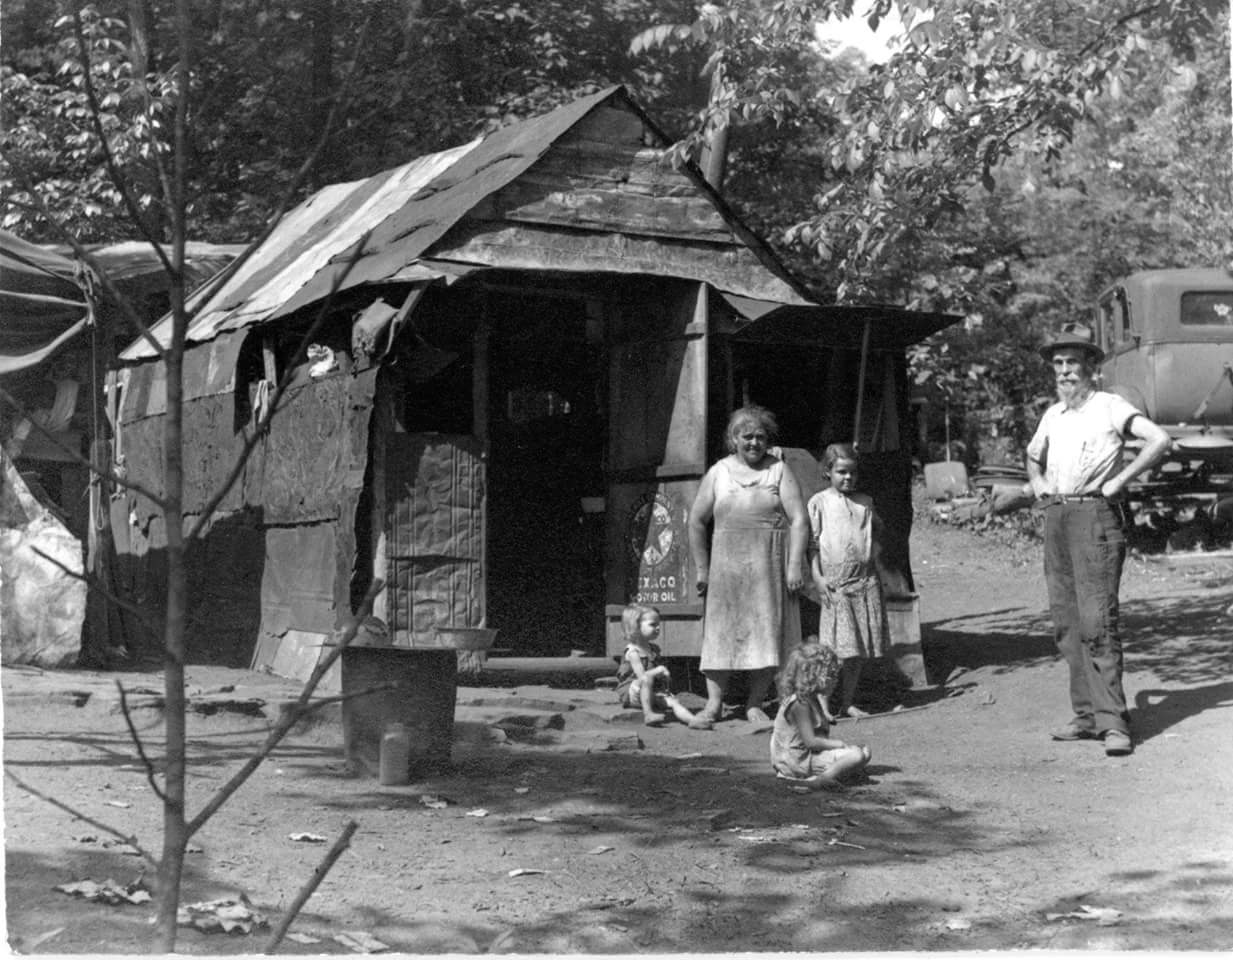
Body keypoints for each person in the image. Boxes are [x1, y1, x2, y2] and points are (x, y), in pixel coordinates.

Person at [1025, 322, 1171, 757]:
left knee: (1097, 623)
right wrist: (1038, 484)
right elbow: (1033, 457)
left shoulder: (1110, 405)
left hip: (1095, 518)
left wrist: (1120, 480)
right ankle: (1086, 716)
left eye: (1073, 363)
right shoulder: (1054, 414)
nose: (1065, 372)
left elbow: (1159, 440)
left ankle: (1114, 723)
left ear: (1091, 367)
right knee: (1067, 625)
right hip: (1058, 518)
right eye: (1058, 364)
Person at [688, 405, 808, 724]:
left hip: (769, 567)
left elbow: (799, 520)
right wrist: (702, 568)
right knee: (720, 635)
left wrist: (794, 566)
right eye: (747, 436)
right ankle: (714, 705)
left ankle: (755, 703)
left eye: (760, 437)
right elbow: (697, 521)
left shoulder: (779, 471)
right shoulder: (718, 472)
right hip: (727, 569)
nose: (754, 443)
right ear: (733, 439)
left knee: (766, 633)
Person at [807, 443, 890, 718]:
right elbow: (813, 547)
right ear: (828, 472)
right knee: (834, 652)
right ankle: (822, 705)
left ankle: (848, 702)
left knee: (855, 652)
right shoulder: (819, 503)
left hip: (864, 583)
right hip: (836, 586)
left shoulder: (865, 503)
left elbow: (876, 531)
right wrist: (818, 577)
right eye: (841, 472)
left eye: (852, 473)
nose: (848, 478)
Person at [770, 640, 871, 786]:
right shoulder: (800, 703)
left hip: (809, 756)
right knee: (857, 755)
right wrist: (838, 744)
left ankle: (837, 772)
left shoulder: (811, 698)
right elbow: (811, 742)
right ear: (813, 676)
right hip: (798, 761)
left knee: (865, 751)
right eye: (832, 675)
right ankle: (821, 780)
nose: (836, 680)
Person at [614, 603, 713, 729]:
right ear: (636, 627)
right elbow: (642, 676)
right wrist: (659, 670)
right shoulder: (632, 652)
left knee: (673, 702)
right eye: (652, 624)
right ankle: (648, 714)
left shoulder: (654, 649)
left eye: (658, 624)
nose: (658, 628)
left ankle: (692, 720)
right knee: (646, 678)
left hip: (651, 692)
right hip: (633, 693)